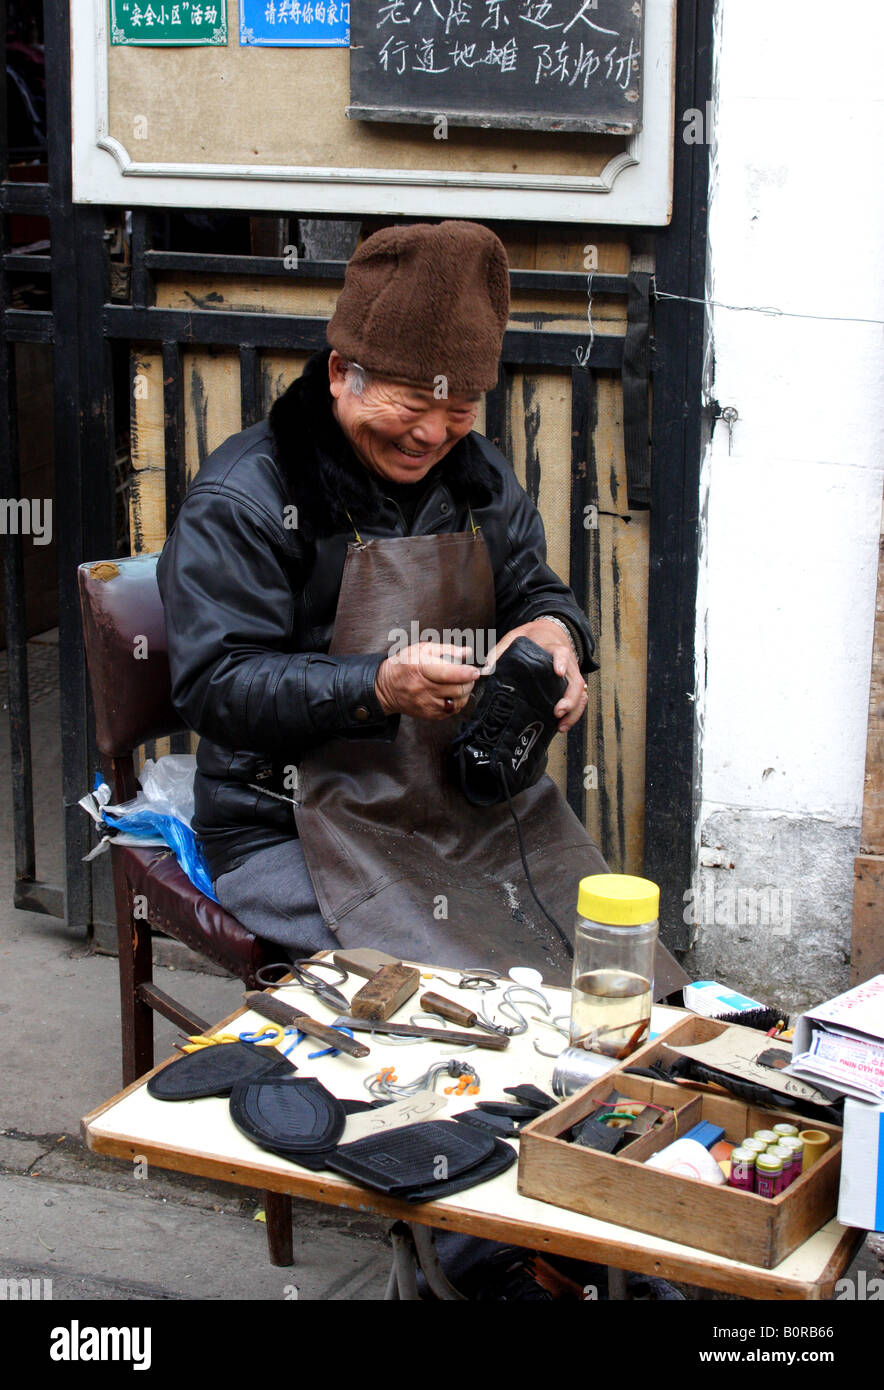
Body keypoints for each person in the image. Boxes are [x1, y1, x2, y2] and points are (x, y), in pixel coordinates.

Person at [157, 220, 609, 981]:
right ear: (341, 372)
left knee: (598, 955)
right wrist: (378, 686)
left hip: (459, 805)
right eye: (411, 405)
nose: (433, 434)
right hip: (288, 825)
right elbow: (215, 685)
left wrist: (555, 631)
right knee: (460, 989)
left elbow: (537, 586)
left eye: (461, 407)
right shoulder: (248, 498)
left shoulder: (477, 477)